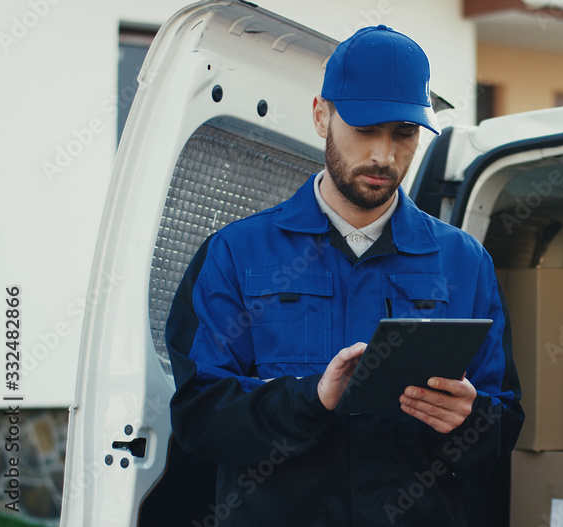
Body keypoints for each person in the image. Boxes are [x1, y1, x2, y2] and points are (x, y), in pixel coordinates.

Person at [165, 25, 523, 526]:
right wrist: (310, 397)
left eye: (403, 133)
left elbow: (501, 431)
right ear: (321, 115)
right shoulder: (235, 254)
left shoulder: (464, 263)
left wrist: (470, 420)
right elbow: (199, 416)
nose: (384, 155)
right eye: (364, 128)